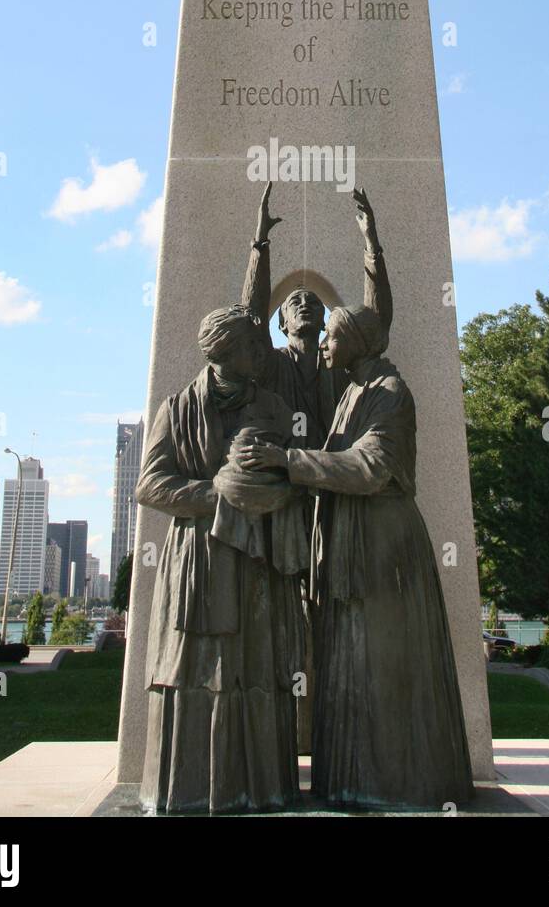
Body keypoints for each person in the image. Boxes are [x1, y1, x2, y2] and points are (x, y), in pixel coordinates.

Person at [236, 303, 474, 810]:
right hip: (349, 544)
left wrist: (288, 461)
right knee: (349, 662)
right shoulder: (351, 393)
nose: (322, 343)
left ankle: (397, 782)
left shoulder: (389, 393)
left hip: (383, 549)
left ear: (358, 343)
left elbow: (367, 467)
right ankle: (347, 780)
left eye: (332, 336)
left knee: (382, 661)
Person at [135, 306, 306, 815]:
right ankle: (192, 790)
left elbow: (291, 478)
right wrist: (219, 492)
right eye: (255, 347)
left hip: (258, 557)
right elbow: (149, 485)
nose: (264, 354)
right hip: (200, 558)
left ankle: (259, 788)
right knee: (197, 669)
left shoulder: (275, 407)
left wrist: (271, 489)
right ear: (230, 353)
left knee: (257, 665)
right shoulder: (177, 408)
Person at [240, 182, 392, 450]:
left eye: (313, 301)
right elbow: (251, 321)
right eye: (294, 302)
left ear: (325, 320)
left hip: (334, 478)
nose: (304, 304)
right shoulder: (273, 364)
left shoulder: (340, 366)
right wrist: (260, 245)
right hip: (283, 477)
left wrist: (372, 247)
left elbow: (376, 326)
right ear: (282, 322)